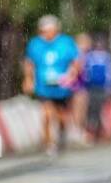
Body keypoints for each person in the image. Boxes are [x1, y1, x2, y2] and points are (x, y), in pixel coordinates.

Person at [22, 15, 80, 157]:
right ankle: (49, 144)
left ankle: (61, 135)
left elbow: (76, 61)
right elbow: (29, 63)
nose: (46, 34)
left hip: (62, 87)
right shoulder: (35, 44)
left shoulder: (66, 42)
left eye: (49, 30)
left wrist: (72, 74)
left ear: (56, 29)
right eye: (43, 31)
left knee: (62, 117)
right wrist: (28, 79)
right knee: (47, 114)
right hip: (44, 87)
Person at [82, 32, 111, 141]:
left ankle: (98, 130)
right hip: (91, 87)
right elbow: (85, 72)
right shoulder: (89, 56)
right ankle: (93, 129)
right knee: (92, 108)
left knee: (98, 108)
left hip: (102, 87)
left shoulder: (107, 57)